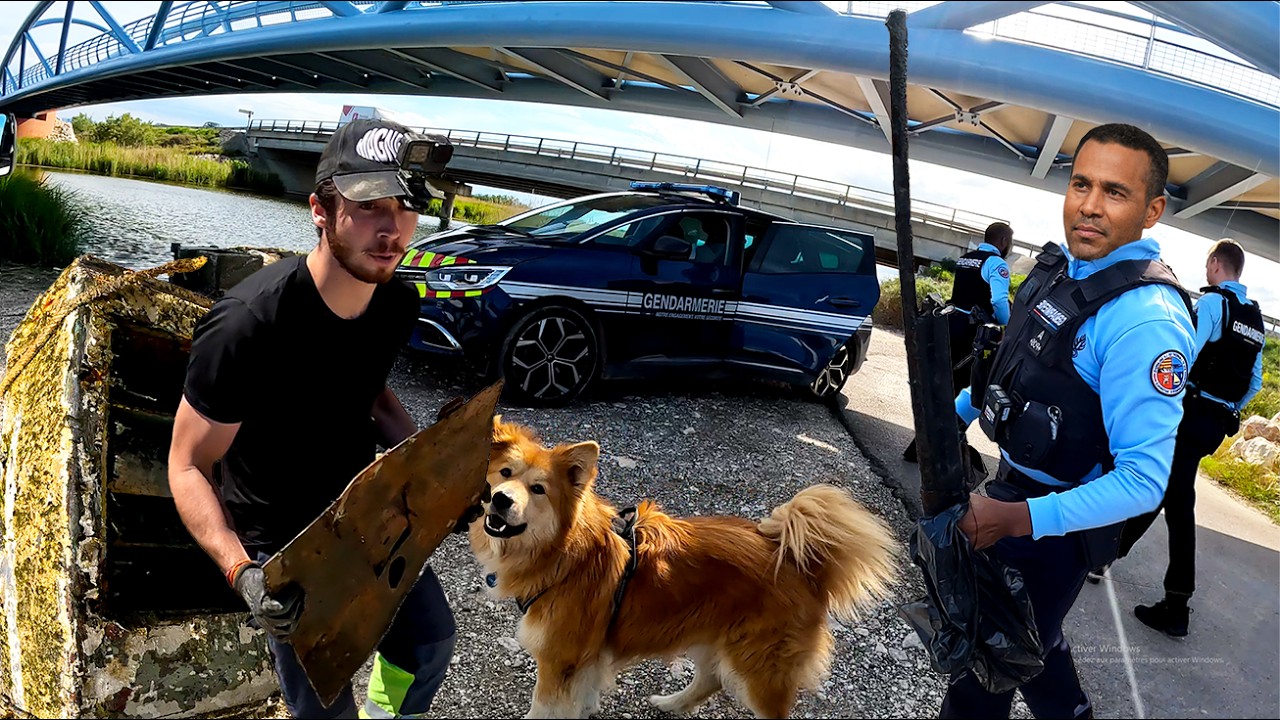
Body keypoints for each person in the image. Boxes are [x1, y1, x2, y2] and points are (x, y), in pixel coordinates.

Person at [168, 118, 457, 719]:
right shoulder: (248, 324)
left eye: (406, 205)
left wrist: (439, 475)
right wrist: (243, 572)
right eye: (368, 205)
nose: (392, 228)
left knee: (429, 644)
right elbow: (188, 464)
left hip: (364, 512)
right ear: (320, 211)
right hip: (283, 543)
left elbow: (373, 396)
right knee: (324, 705)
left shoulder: (395, 303)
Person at [941, 123, 1196, 719]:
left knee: (982, 673)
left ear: (1152, 210)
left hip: (1057, 528)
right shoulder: (1061, 270)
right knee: (1035, 642)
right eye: (1081, 184)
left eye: (1115, 192)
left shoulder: (1146, 321)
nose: (1089, 205)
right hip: (1010, 494)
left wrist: (1017, 519)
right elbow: (1012, 368)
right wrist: (952, 418)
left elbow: (1144, 481)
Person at [1099, 239, 1265, 637]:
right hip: (1215, 422)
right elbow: (1256, 382)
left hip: (1190, 413)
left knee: (1174, 498)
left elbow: (1183, 355)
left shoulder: (1213, 304)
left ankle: (1176, 604)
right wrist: (1227, 406)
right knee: (1165, 487)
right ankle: (1105, 554)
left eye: (1208, 265)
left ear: (1215, 263)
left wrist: (1160, 398)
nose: (1207, 271)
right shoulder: (1255, 319)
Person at [903, 222, 1013, 463]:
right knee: (962, 393)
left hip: (950, 326)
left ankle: (920, 448)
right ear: (1004, 241)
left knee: (944, 386)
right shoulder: (996, 264)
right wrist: (1008, 324)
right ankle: (931, 451)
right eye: (1010, 242)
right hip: (972, 335)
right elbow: (999, 301)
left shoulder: (966, 259)